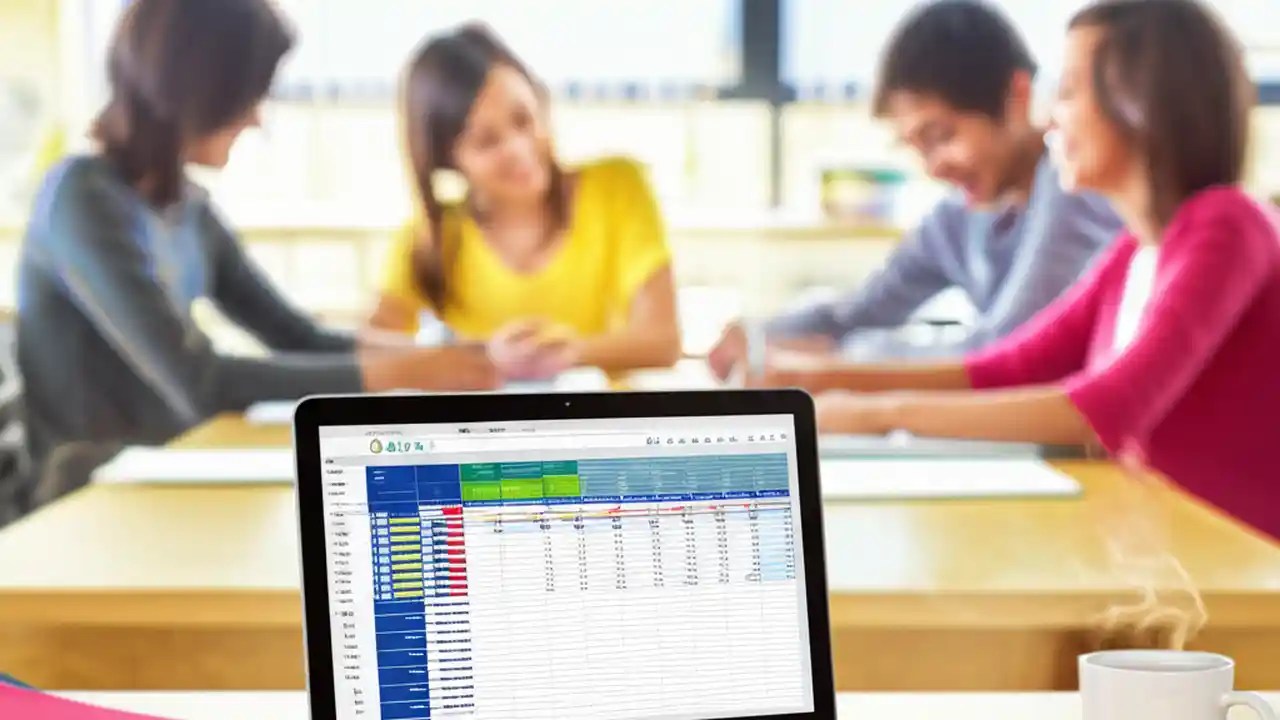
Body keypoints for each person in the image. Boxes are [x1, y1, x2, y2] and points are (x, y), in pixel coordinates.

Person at [804, 0, 1280, 542]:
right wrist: (822, 384)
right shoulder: (1134, 252)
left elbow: (1102, 409)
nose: (1052, 117)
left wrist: (878, 413)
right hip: (1168, 554)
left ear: (1143, 104)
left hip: (1251, 579)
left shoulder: (1228, 224)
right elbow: (1007, 366)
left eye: (1071, 92)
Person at [16, 0, 498, 509]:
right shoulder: (81, 198)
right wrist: (414, 372)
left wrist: (452, 358)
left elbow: (297, 336)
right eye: (249, 96)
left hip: (169, 471)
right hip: (84, 495)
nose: (254, 119)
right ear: (200, 89)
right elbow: (200, 382)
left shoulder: (187, 208)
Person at [708, 0, 1121, 378]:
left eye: (942, 135)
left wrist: (841, 358)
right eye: (917, 147)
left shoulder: (1074, 189)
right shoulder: (957, 218)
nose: (933, 167)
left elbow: (1006, 349)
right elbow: (859, 312)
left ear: (1017, 95)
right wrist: (760, 333)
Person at [369, 26, 681, 380]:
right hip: (488, 432)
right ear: (446, 159)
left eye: (523, 119)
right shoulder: (428, 241)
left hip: (603, 426)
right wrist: (484, 355)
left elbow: (663, 341)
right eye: (487, 141)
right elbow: (372, 352)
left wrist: (571, 352)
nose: (519, 149)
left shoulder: (618, 187)